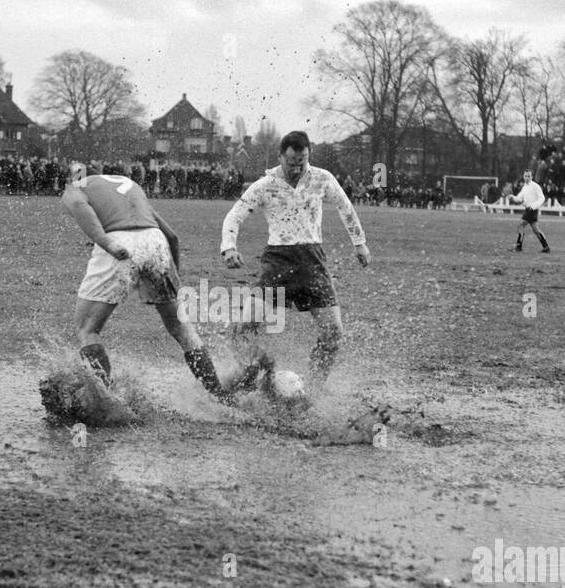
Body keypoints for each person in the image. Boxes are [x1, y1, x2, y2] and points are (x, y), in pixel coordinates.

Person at [60, 160, 252, 401]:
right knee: (182, 328)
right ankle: (219, 394)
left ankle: (104, 400)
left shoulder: (75, 186)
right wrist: (175, 283)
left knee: (87, 328)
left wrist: (108, 243)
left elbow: (79, 205)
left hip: (118, 241)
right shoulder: (128, 183)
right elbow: (173, 237)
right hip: (155, 242)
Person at [220, 130, 370, 388]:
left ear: (308, 156)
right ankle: (259, 370)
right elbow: (234, 215)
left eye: (302, 161)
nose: (297, 167)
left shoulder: (322, 179)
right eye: (291, 162)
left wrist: (360, 243)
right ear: (280, 157)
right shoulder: (265, 185)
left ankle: (314, 389)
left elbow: (346, 208)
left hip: (312, 263)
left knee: (333, 332)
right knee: (242, 330)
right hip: (279, 263)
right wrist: (229, 248)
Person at [509, 168, 551, 253]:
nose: (527, 178)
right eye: (525, 176)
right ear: (523, 176)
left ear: (532, 177)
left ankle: (518, 247)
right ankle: (546, 247)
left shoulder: (535, 186)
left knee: (520, 226)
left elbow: (542, 198)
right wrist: (513, 198)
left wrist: (533, 206)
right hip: (529, 209)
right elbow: (520, 198)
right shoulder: (525, 187)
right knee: (535, 229)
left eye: (529, 176)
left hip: (531, 210)